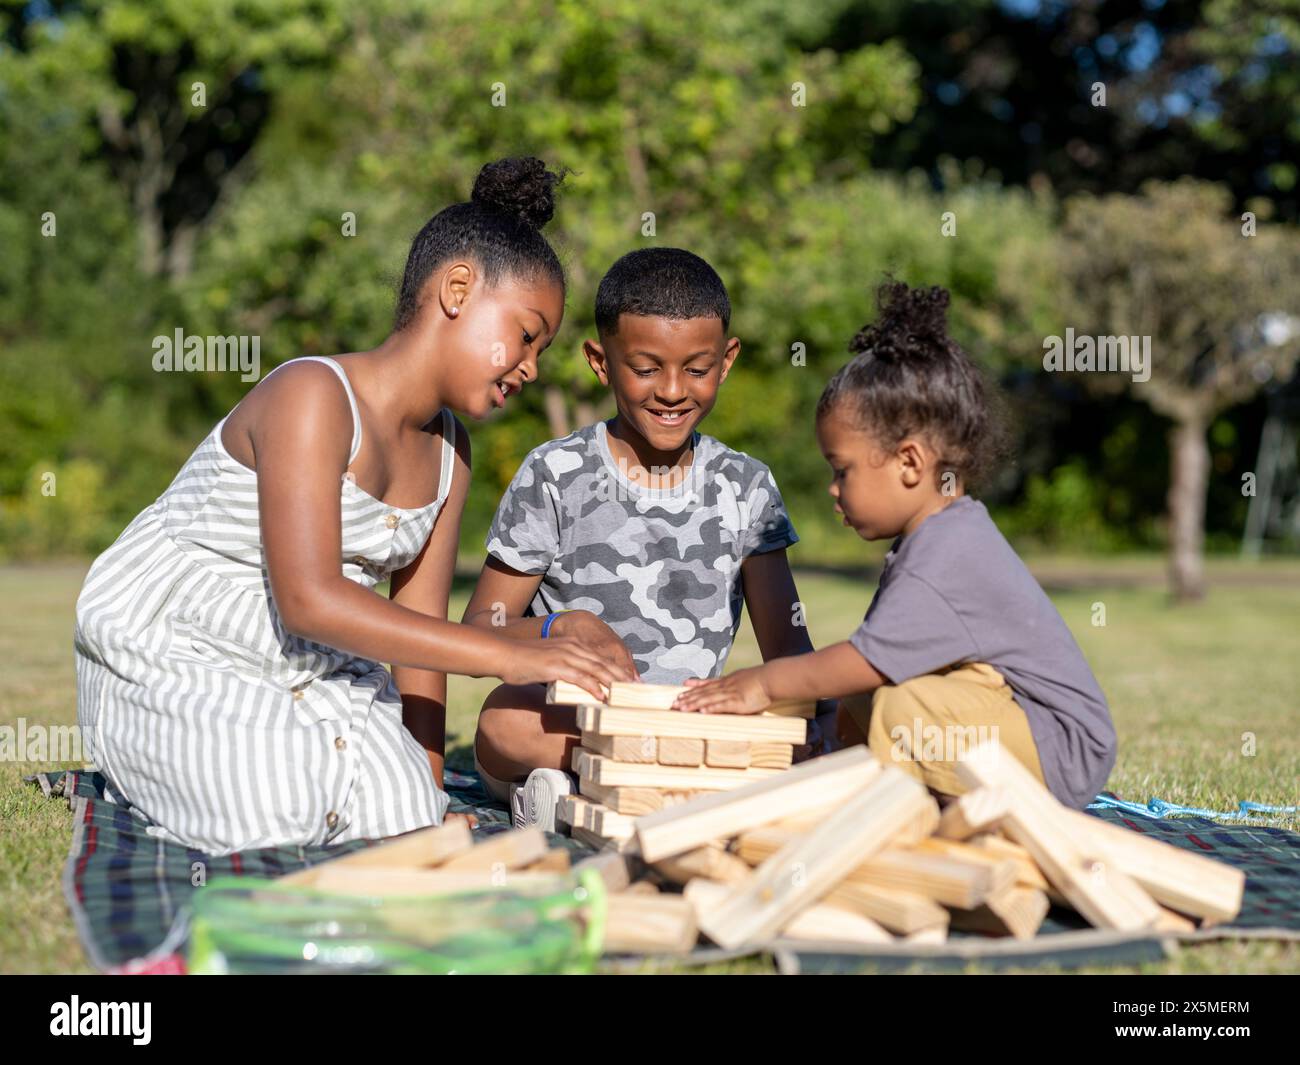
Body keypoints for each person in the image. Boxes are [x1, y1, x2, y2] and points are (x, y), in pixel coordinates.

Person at [73, 157, 622, 856]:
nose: (531, 366)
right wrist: (507, 655)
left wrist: (424, 787)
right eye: (525, 334)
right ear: (457, 289)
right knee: (267, 811)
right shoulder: (313, 395)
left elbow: (417, 633)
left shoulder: (451, 455)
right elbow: (309, 600)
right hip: (185, 638)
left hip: (315, 661)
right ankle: (151, 751)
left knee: (393, 814)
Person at [674, 281, 1118, 810]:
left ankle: (901, 814)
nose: (833, 490)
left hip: (1058, 753)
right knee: (873, 695)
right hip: (1012, 723)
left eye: (843, 471)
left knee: (900, 708)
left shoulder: (947, 554)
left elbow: (867, 662)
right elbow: (864, 679)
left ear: (910, 463)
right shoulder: (934, 539)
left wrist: (765, 684)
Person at [465, 248, 827, 828]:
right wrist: (563, 627)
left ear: (727, 361)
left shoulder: (747, 486)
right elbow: (481, 630)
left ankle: (590, 795)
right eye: (646, 367)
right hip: (574, 723)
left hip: (691, 720)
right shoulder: (554, 475)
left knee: (812, 728)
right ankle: (670, 788)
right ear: (600, 362)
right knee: (502, 722)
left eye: (698, 368)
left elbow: (789, 652)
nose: (673, 390)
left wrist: (810, 724)